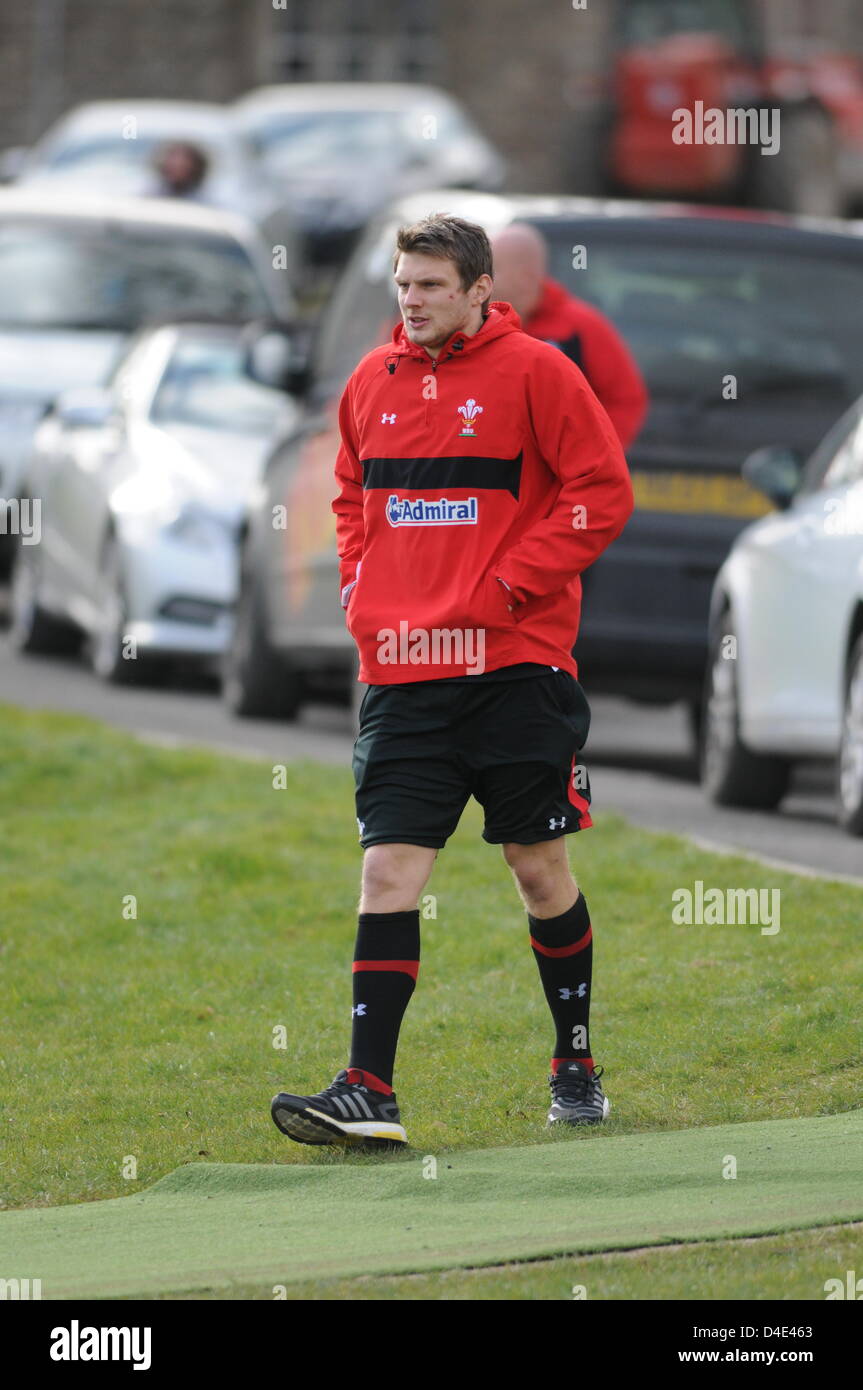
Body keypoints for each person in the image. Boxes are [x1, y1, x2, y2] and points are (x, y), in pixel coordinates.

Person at [271, 213, 634, 1150]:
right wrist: (359, 585)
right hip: (403, 676)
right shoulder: (368, 382)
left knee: (536, 869)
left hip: (517, 671)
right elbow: (349, 492)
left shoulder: (540, 372)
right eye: (403, 284)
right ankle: (367, 1089)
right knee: (387, 870)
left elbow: (602, 491)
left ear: (479, 290)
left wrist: (512, 584)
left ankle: (575, 1064)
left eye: (431, 285)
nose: (413, 301)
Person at [491, 221, 648, 450]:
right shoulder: (477, 323)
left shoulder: (581, 327)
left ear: (524, 277)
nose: (480, 279)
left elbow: (625, 399)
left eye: (492, 270)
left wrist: (593, 455)